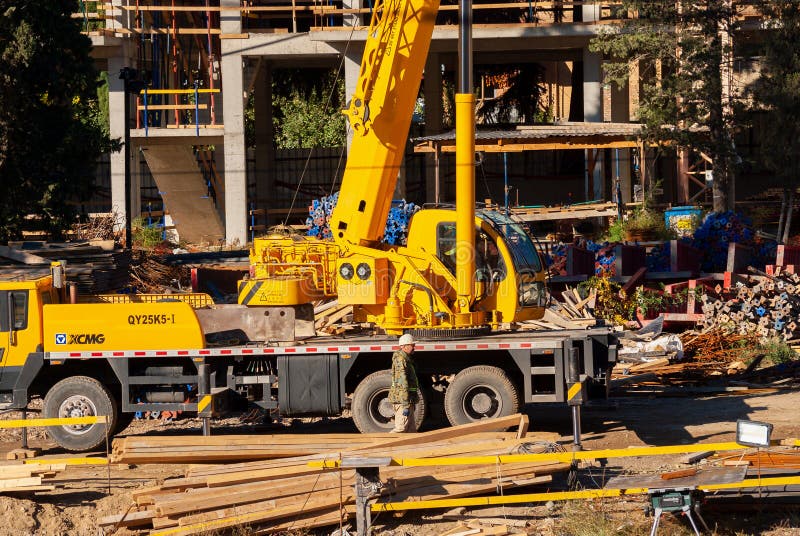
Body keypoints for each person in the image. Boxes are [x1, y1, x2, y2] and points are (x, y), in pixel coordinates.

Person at [388, 333, 419, 433]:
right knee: (400, 429)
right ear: (404, 346)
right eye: (412, 345)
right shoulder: (400, 360)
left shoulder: (407, 359)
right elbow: (402, 383)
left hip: (408, 400)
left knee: (411, 431)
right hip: (403, 401)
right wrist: (405, 405)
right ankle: (384, 446)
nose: (414, 347)